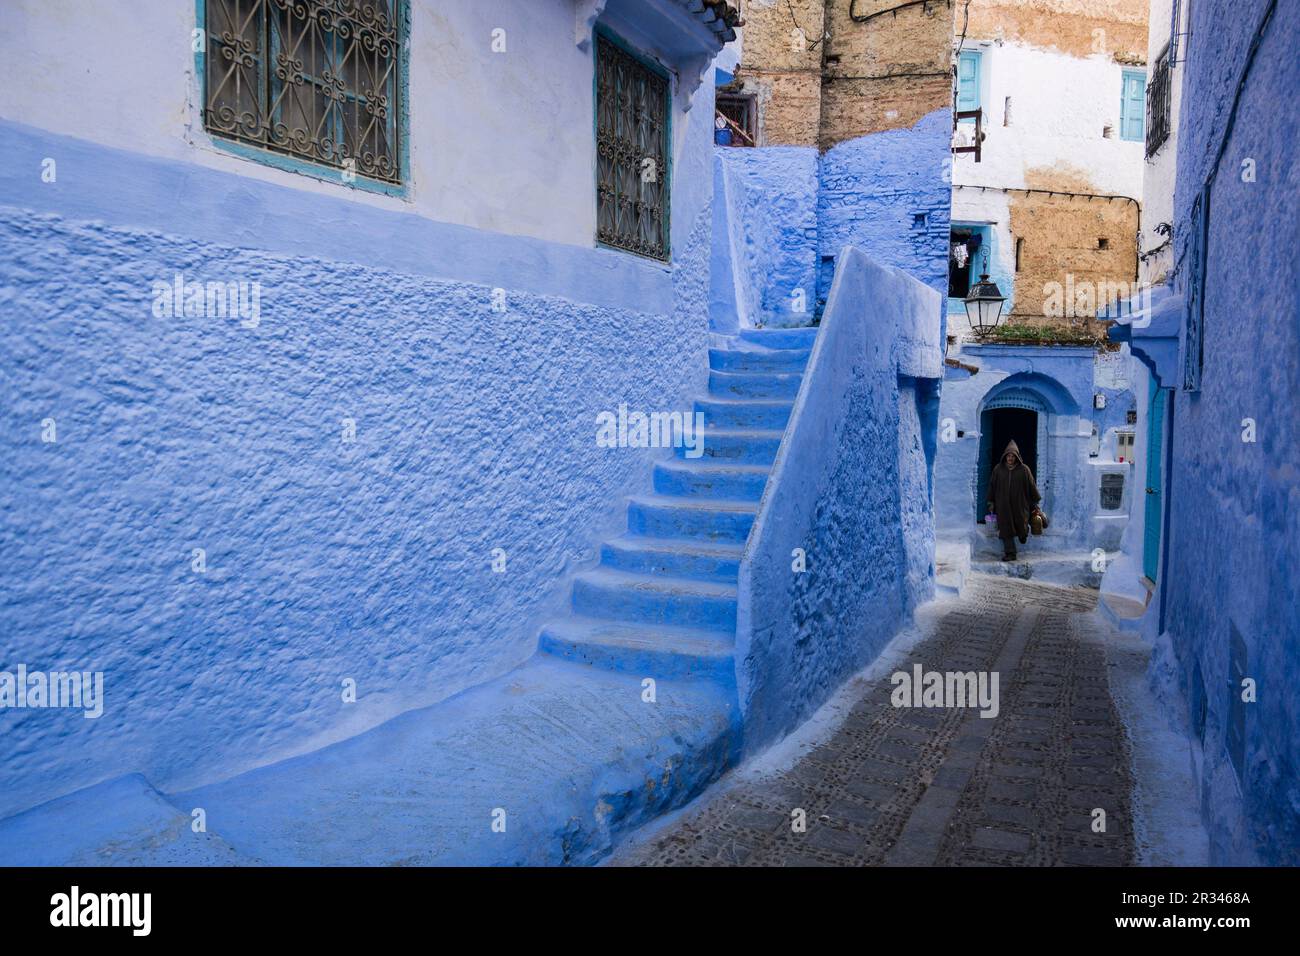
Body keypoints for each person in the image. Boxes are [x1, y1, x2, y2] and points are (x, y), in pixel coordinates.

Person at [985, 440, 1041, 561]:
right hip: (1003, 505)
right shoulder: (998, 469)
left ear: (1017, 457)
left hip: (1020, 504)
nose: (1010, 458)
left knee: (1021, 523)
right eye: (1008, 456)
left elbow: (1032, 486)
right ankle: (1010, 553)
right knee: (1005, 528)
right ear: (1005, 456)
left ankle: (1023, 533)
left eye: (1013, 456)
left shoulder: (1024, 470)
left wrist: (1035, 501)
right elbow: (992, 486)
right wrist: (991, 502)